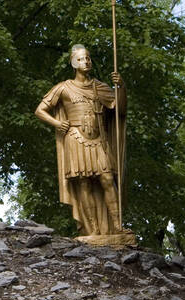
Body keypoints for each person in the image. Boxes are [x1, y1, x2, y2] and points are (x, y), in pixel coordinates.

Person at [35, 45, 134, 243]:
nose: (86, 62)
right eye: (81, 59)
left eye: (88, 58)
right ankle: (93, 231)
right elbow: (40, 110)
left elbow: (119, 110)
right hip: (76, 138)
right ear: (73, 63)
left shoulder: (100, 87)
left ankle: (117, 225)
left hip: (98, 140)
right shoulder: (63, 87)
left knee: (107, 179)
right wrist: (57, 123)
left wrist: (121, 87)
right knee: (84, 183)